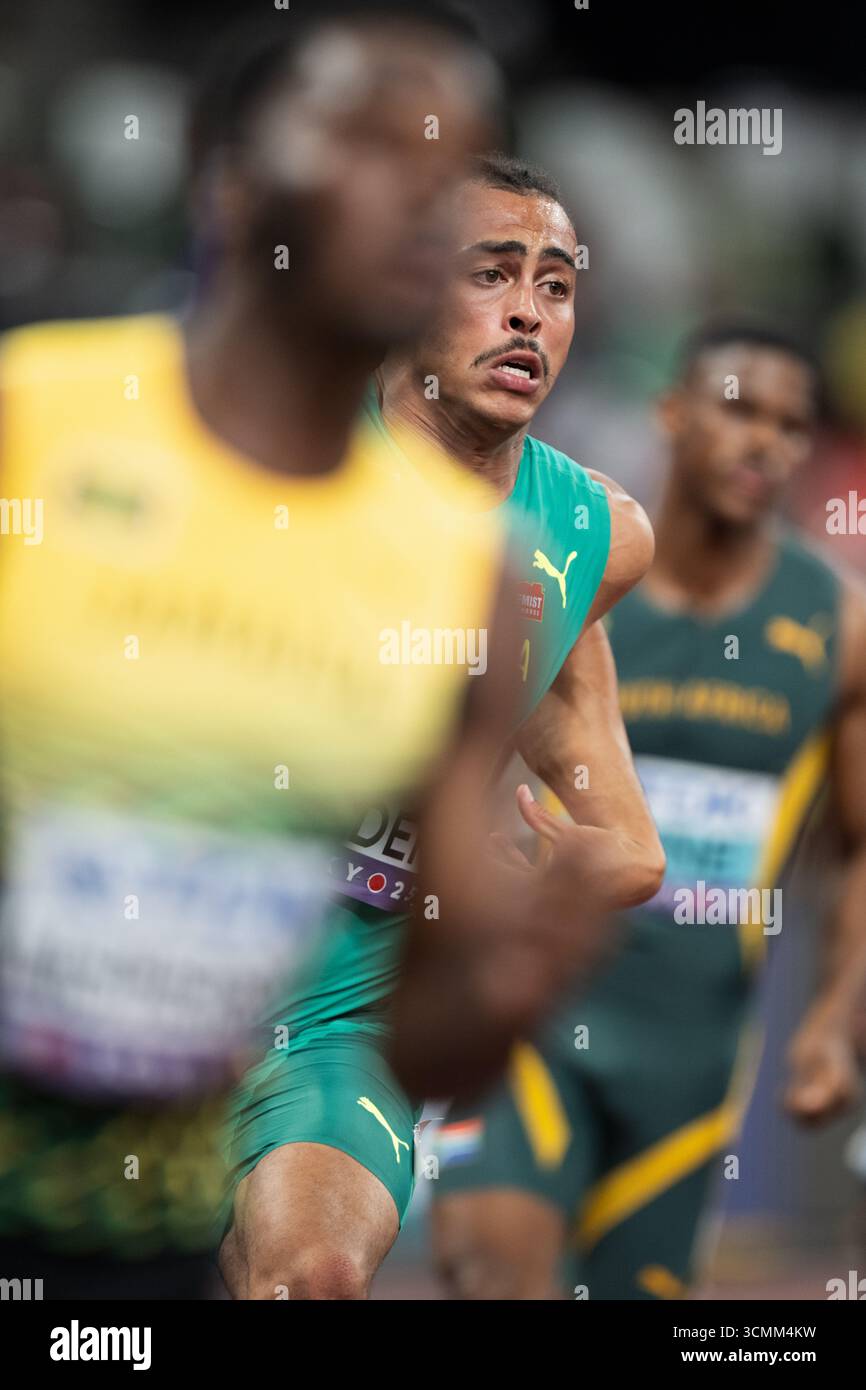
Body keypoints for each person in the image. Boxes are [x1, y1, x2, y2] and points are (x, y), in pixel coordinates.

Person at [0, 5, 595, 1298]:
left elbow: (426, 1037)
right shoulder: (32, 422)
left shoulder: (465, 577)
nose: (424, 193)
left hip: (135, 1245)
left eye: (451, 160)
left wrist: (505, 984)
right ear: (226, 174)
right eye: (370, 140)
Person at [220, 153, 665, 1300]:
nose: (527, 312)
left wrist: (545, 872)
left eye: (555, 285)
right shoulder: (282, 455)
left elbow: (623, 840)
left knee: (312, 1275)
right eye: (490, 273)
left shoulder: (594, 536)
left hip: (340, 1009)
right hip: (164, 948)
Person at [432, 323, 866, 1300]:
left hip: (691, 1052)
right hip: (528, 1011)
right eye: (737, 409)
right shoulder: (570, 573)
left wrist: (834, 1018)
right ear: (670, 413)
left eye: (791, 425)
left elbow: (858, 846)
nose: (763, 443)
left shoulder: (836, 624)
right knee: (489, 1265)